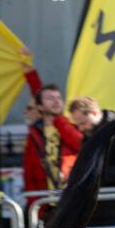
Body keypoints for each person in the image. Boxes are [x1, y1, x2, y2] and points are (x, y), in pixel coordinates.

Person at [68, 96, 115, 225]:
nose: (81, 128)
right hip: (95, 210)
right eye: (77, 125)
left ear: (94, 113)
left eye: (83, 123)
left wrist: (95, 176)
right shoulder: (89, 134)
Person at [20, 58, 83, 197]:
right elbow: (29, 173)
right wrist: (34, 205)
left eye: (59, 98)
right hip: (45, 203)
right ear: (40, 107)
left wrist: (59, 120)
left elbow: (79, 143)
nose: (56, 101)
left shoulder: (70, 126)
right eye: (50, 98)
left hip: (71, 198)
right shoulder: (34, 134)